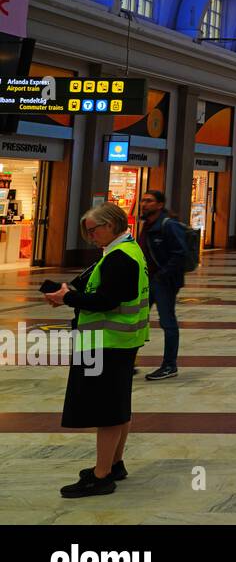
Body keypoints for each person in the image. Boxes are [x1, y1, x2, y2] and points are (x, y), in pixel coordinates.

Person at [44, 203, 150, 498]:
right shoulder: (126, 250)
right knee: (117, 405)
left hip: (108, 342)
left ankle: (101, 476)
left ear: (111, 225)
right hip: (119, 341)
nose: (90, 237)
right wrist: (68, 294)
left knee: (107, 411)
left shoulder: (120, 258)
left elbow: (107, 300)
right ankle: (114, 464)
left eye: (93, 230)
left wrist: (69, 300)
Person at [138, 189, 188, 380]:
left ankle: (169, 365)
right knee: (137, 319)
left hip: (163, 282)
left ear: (160, 205)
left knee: (167, 322)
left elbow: (180, 253)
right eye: (143, 200)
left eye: (149, 201)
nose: (144, 204)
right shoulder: (148, 225)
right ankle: (129, 361)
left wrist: (161, 275)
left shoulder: (169, 225)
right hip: (149, 280)